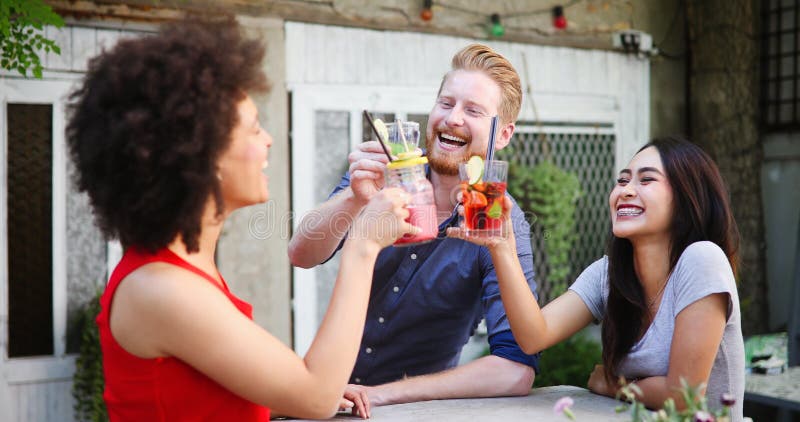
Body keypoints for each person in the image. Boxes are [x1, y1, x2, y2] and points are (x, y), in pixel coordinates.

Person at [66, 18, 416, 421]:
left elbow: (204, 395)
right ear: (203, 156)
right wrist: (363, 244)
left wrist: (280, 390)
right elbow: (317, 397)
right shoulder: (160, 288)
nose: (268, 139)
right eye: (253, 129)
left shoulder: (181, 269)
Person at [288, 44, 540, 412]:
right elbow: (301, 253)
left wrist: (379, 394)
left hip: (411, 411)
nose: (453, 118)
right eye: (446, 103)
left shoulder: (498, 220)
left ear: (503, 135)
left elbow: (516, 369)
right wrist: (353, 199)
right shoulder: (384, 177)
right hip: (325, 398)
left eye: (473, 110)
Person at [449, 136, 745, 419]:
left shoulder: (702, 259)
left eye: (646, 180)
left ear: (686, 198)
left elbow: (683, 396)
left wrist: (613, 384)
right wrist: (502, 248)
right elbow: (533, 337)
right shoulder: (609, 272)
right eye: (623, 180)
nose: (626, 190)